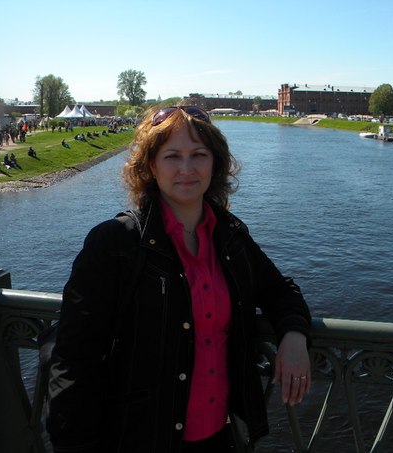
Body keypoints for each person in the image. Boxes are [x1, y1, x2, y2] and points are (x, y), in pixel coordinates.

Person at [46, 106, 312, 453]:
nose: (187, 169)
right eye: (172, 156)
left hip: (220, 439)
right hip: (138, 441)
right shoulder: (116, 243)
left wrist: (294, 336)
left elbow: (279, 290)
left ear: (215, 163)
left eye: (199, 155)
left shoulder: (230, 236)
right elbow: (74, 359)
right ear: (151, 166)